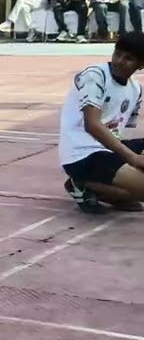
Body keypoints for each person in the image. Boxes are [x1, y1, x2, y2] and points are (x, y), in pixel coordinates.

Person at [59, 33, 144, 214]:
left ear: (141, 64)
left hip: (108, 149)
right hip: (83, 154)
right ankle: (80, 181)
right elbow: (93, 126)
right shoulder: (95, 76)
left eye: (128, 58)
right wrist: (133, 159)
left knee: (133, 190)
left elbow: (117, 131)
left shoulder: (136, 89)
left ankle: (108, 190)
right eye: (118, 53)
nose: (119, 61)